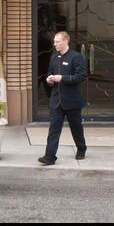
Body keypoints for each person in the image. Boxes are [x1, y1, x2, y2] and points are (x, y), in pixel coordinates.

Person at [38, 30, 87, 165]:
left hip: (72, 101)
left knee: (76, 127)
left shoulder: (76, 57)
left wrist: (62, 78)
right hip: (56, 101)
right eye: (54, 42)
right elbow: (50, 72)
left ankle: (81, 149)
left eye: (57, 41)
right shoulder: (54, 57)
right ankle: (49, 156)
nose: (55, 44)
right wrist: (49, 79)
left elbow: (81, 76)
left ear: (66, 41)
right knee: (53, 129)